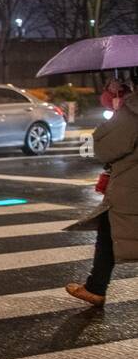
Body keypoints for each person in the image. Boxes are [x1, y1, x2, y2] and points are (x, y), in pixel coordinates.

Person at [65, 77, 138, 306]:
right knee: (109, 228)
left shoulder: (134, 110)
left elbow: (102, 147)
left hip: (131, 185)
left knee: (109, 228)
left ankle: (96, 287)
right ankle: (96, 286)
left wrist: (119, 111)